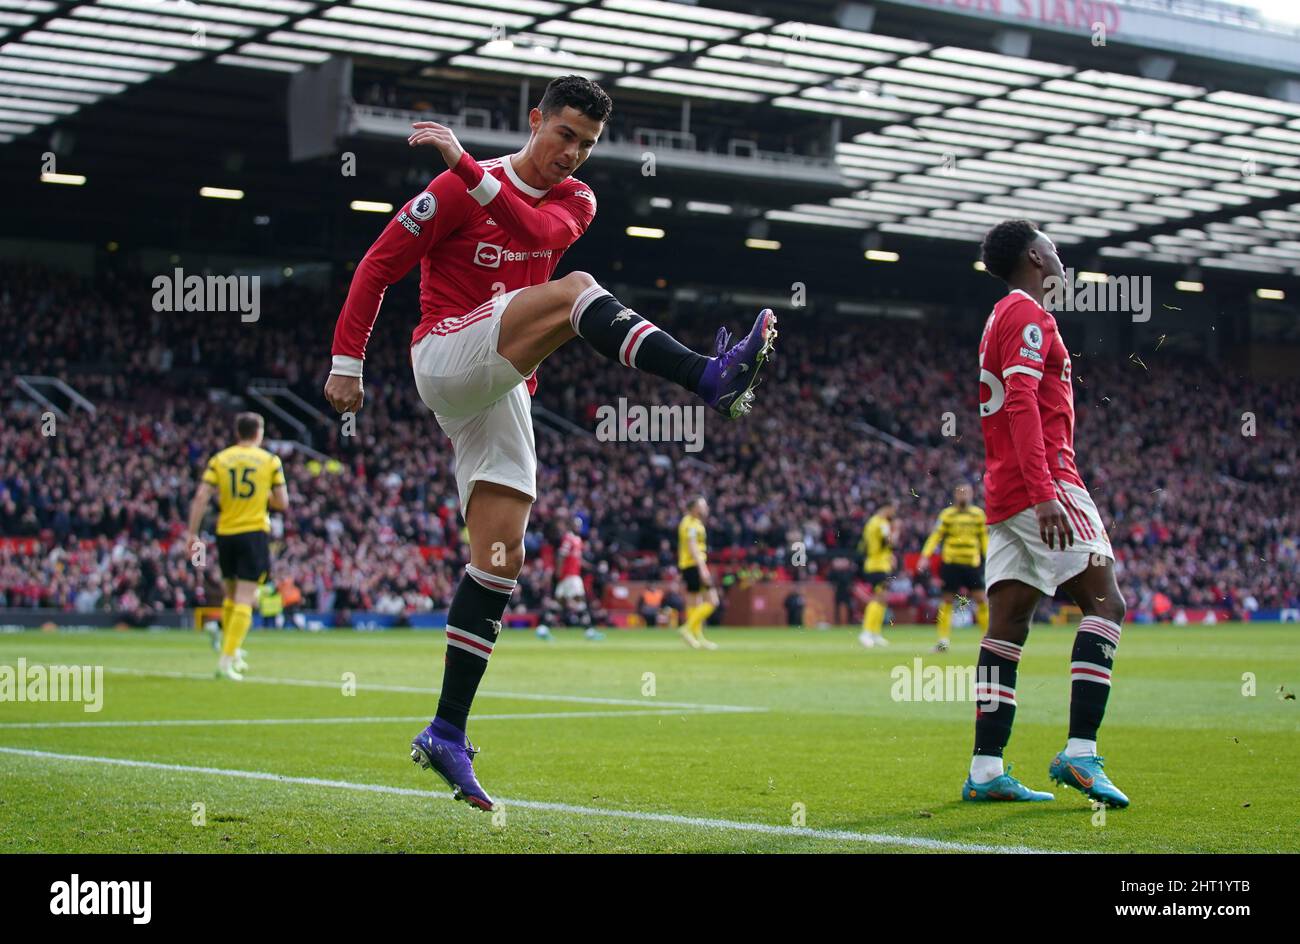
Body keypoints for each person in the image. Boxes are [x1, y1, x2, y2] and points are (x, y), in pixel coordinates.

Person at [323, 75, 777, 811]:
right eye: (563, 134)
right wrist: (347, 361)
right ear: (534, 120)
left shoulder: (576, 200)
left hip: (499, 387)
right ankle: (707, 376)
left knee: (501, 560)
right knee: (577, 291)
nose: (573, 153)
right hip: (442, 352)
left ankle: (445, 728)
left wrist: (467, 167)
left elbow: (537, 236)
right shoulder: (451, 190)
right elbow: (378, 266)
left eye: (588, 144)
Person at [961, 219, 1128, 808]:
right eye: (1054, 247)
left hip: (1003, 489)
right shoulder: (1030, 315)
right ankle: (1080, 754)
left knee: (1007, 625)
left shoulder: (997, 318)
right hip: (1044, 481)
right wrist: (1045, 490)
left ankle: (985, 768)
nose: (1060, 255)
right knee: (1107, 603)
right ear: (1035, 255)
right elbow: (1025, 402)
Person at [184, 412, 288, 681]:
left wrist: (192, 534)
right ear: (259, 433)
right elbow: (282, 503)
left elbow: (201, 496)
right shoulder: (269, 461)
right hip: (253, 532)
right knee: (245, 598)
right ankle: (226, 661)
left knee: (231, 596)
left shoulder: (220, 459)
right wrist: (262, 495)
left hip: (225, 533)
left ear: (237, 433)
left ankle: (234, 650)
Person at [918, 483, 989, 652]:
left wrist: (988, 557)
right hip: (951, 563)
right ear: (955, 495)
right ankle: (943, 642)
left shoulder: (978, 515)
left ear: (972, 494)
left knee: (981, 599)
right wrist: (925, 556)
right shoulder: (947, 515)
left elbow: (984, 539)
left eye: (966, 492)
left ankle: (987, 641)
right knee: (947, 600)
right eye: (960, 492)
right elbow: (936, 536)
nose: (963, 495)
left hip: (972, 563)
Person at [677, 496, 718, 650]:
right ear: (694, 508)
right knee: (713, 601)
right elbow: (693, 547)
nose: (705, 508)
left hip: (691, 565)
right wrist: (702, 568)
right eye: (702, 505)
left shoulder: (694, 522)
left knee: (695, 602)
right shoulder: (690, 524)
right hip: (694, 565)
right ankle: (687, 629)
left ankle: (697, 637)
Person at [857, 501, 897, 648]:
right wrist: (896, 531)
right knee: (878, 597)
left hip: (876, 563)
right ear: (887, 508)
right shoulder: (881, 523)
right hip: (878, 565)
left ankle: (875, 632)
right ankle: (866, 632)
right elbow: (889, 542)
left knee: (882, 598)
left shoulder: (871, 523)